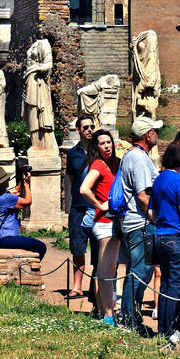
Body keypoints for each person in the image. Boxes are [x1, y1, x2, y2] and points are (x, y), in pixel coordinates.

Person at [118, 115, 163, 337]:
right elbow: (143, 196)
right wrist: (156, 219)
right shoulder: (139, 159)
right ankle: (129, 319)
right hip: (141, 223)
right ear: (148, 135)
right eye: (155, 131)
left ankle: (131, 316)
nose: (157, 134)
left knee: (139, 270)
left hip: (136, 222)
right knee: (140, 270)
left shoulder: (133, 156)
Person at [151, 139, 180, 347]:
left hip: (160, 235)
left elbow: (151, 212)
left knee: (166, 284)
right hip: (177, 237)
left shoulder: (159, 179)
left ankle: (167, 328)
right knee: (176, 288)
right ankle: (170, 331)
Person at [80, 128, 123, 324]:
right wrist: (100, 205)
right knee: (107, 272)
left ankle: (102, 312)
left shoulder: (111, 164)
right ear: (96, 147)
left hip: (109, 222)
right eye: (102, 143)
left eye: (109, 142)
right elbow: (84, 189)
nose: (107, 146)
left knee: (104, 271)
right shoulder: (98, 164)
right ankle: (108, 315)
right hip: (105, 222)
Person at [65, 115, 97, 302]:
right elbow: (72, 179)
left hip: (96, 206)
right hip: (78, 206)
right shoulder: (72, 154)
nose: (89, 130)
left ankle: (95, 285)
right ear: (78, 130)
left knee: (97, 247)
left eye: (92, 126)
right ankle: (77, 286)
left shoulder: (99, 151)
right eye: (85, 127)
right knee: (77, 247)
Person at [0, 166, 47, 260]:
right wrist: (27, 185)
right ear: (3, 182)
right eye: (7, 179)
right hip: (7, 238)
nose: (8, 180)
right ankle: (32, 270)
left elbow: (16, 190)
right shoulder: (6, 198)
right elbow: (27, 202)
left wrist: (22, 182)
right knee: (40, 246)